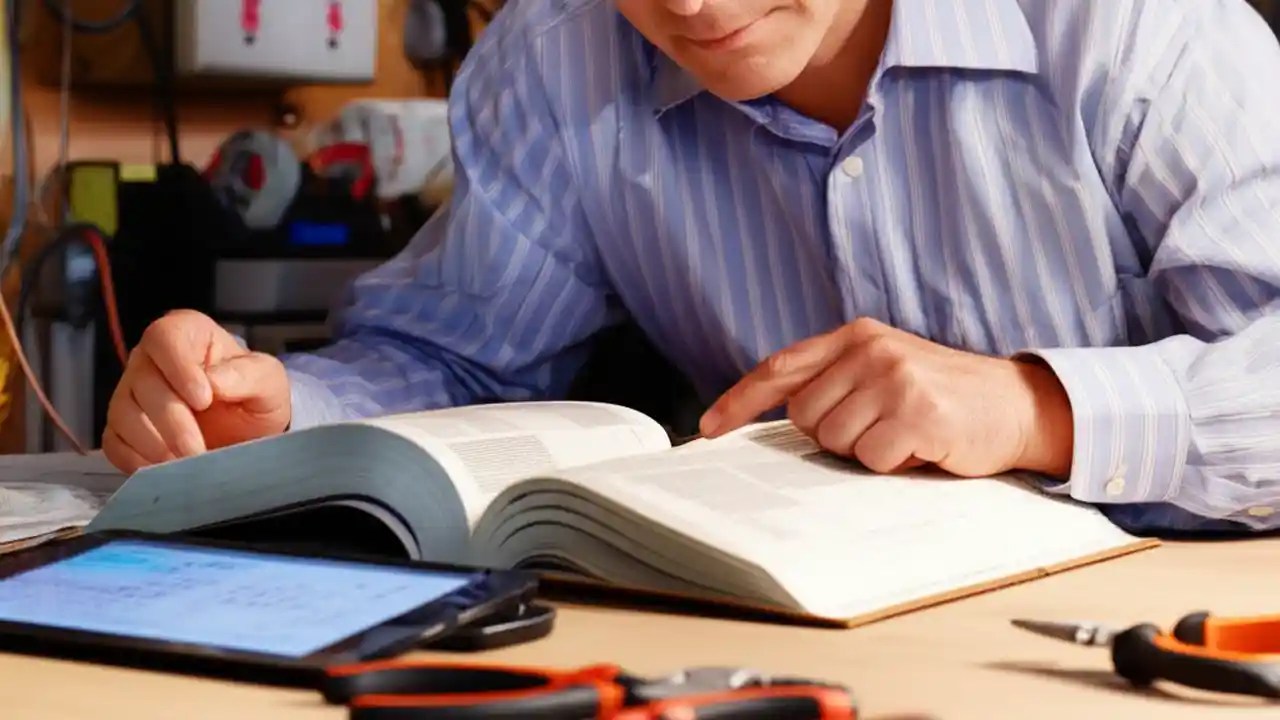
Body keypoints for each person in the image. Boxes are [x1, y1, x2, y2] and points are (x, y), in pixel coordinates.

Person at [102, 0, 1280, 536]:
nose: (691, 3)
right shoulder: (558, 57)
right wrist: (282, 414)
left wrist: (1035, 406)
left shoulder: (1138, 28)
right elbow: (452, 357)